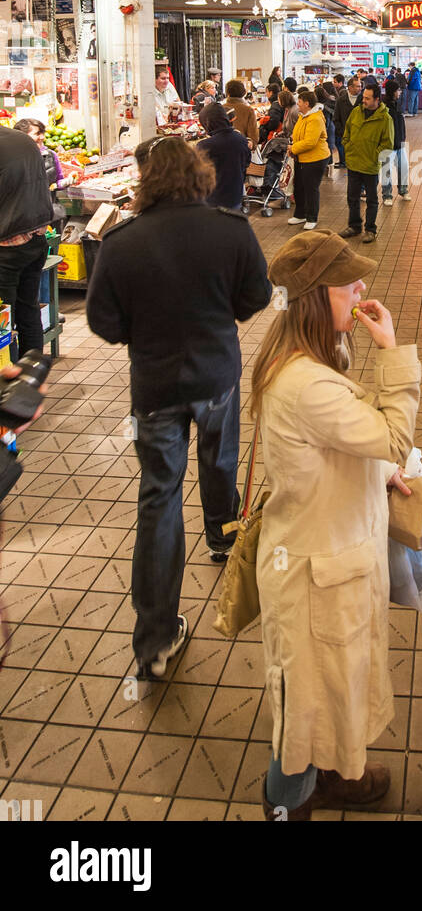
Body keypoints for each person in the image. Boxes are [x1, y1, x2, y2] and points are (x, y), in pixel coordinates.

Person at [86, 136, 271, 679]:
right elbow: (256, 297)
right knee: (219, 461)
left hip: (155, 388)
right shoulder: (229, 230)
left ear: (147, 182)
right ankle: (222, 537)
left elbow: (102, 322)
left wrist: (141, 332)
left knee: (159, 498)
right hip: (216, 375)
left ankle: (156, 641)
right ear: (199, 174)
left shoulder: (121, 242)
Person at [253, 231, 420, 820]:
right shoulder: (308, 383)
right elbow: (395, 436)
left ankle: (333, 773)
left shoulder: (308, 360)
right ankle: (287, 803)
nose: (361, 288)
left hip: (324, 561)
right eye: (347, 282)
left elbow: (324, 457)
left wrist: (376, 478)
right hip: (314, 577)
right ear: (315, 296)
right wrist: (393, 350)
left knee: (324, 691)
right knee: (302, 709)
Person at [0, 127, 53, 356]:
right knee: (28, 310)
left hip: (7, 246)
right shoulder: (22, 140)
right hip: (36, 239)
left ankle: (9, 385)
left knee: (4, 321)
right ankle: (32, 375)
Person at [340, 80, 394, 244]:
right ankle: (354, 226)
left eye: (368, 98)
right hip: (353, 163)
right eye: (364, 97)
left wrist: (373, 156)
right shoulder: (356, 112)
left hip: (370, 166)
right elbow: (346, 132)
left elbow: (387, 145)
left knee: (371, 200)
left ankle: (370, 229)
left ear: (377, 99)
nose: (364, 100)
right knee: (352, 197)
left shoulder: (385, 119)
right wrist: (348, 147)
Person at [286, 87, 331, 230]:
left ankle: (312, 217)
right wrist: (293, 145)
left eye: (299, 101)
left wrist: (293, 148)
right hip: (302, 157)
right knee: (299, 187)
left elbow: (310, 142)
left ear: (307, 103)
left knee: (311, 188)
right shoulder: (303, 116)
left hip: (315, 159)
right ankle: (300, 214)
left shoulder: (316, 118)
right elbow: (299, 135)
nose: (297, 103)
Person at [14, 118, 72, 222]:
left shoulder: (51, 155)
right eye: (37, 133)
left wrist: (65, 182)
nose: (42, 137)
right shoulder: (14, 158)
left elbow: (56, 182)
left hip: (48, 213)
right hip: (22, 217)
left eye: (43, 133)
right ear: (22, 136)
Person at [198, 103, 252, 211]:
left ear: (207, 122)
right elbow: (247, 163)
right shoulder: (241, 139)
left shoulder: (205, 145)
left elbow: (199, 174)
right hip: (235, 194)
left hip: (213, 199)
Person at [381, 78, 410, 204]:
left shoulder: (398, 104)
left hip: (400, 142)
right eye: (398, 90)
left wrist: (403, 137)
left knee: (403, 167)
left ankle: (403, 190)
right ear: (392, 91)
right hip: (388, 143)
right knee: (387, 169)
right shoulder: (384, 107)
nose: (400, 92)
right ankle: (387, 195)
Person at [334, 75, 361, 168]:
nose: (360, 88)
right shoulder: (341, 100)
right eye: (358, 86)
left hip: (360, 137)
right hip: (345, 136)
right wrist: (342, 132)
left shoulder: (363, 100)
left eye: (360, 86)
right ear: (350, 87)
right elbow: (336, 118)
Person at [225, 79, 259, 149]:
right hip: (242, 147)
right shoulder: (248, 110)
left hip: (223, 148)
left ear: (227, 92)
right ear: (243, 92)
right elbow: (253, 136)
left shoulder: (221, 108)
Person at [316, 83, 338, 172]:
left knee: (326, 148)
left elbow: (326, 121)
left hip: (327, 128)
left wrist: (322, 131)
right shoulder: (331, 101)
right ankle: (329, 167)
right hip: (332, 127)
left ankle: (327, 168)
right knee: (328, 148)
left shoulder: (322, 106)